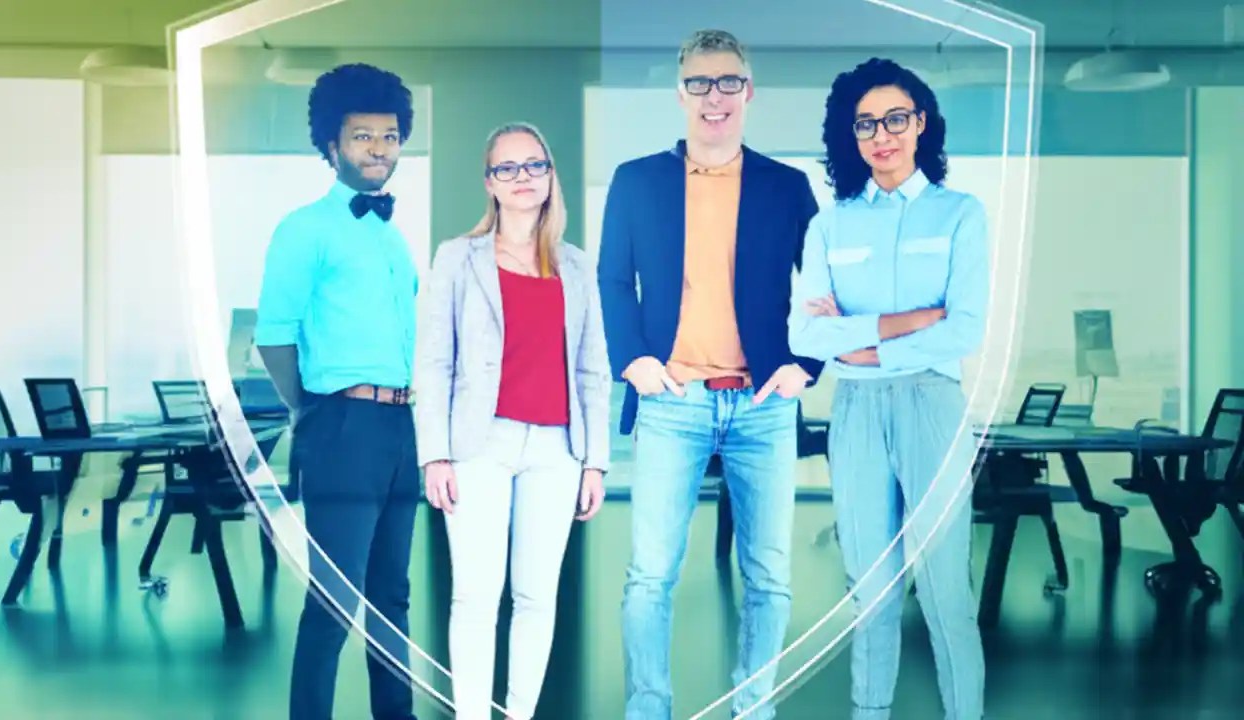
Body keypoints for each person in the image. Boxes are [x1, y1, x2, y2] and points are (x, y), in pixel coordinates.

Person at [597, 28, 824, 720]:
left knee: (770, 580)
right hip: (672, 401)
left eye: (728, 82)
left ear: (749, 92)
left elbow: (822, 285)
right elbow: (612, 278)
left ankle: (752, 710)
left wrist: (805, 367)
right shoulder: (637, 181)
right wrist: (634, 361)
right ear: (681, 94)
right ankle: (648, 710)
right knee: (649, 578)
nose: (714, 96)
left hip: (762, 405)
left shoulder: (788, 187)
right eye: (700, 82)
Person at [788, 57, 989, 720]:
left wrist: (860, 341)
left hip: (932, 403)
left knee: (943, 591)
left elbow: (961, 330)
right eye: (866, 123)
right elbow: (804, 334)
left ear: (921, 123)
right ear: (851, 135)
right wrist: (900, 326)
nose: (882, 135)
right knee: (867, 588)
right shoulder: (831, 224)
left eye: (895, 118)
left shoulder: (960, 214)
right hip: (855, 412)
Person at [414, 121, 611, 720]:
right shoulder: (457, 258)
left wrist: (595, 461)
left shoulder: (576, 266)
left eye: (533, 166)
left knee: (536, 597)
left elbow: (592, 370)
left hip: (557, 451)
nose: (522, 178)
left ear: (550, 175)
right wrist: (434, 454)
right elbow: (433, 362)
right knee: (475, 596)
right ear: (490, 183)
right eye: (507, 168)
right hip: (480, 445)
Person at [255, 63, 421, 720]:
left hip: (401, 430)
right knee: (333, 603)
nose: (378, 148)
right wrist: (311, 414)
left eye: (389, 135)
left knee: (393, 599)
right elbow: (274, 334)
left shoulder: (392, 237)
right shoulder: (303, 230)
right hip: (342, 426)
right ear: (332, 145)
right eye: (362, 136)